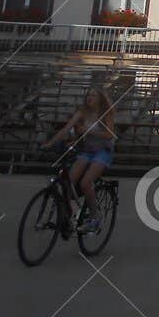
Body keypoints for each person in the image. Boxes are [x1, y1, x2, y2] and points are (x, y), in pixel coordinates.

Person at [45, 85, 117, 234]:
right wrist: (51, 143)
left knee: (85, 183)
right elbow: (66, 128)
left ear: (100, 99)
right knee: (68, 183)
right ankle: (72, 212)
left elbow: (110, 135)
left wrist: (89, 131)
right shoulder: (83, 112)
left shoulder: (105, 114)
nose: (89, 98)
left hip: (103, 151)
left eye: (93, 96)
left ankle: (95, 218)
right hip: (88, 150)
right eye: (88, 95)